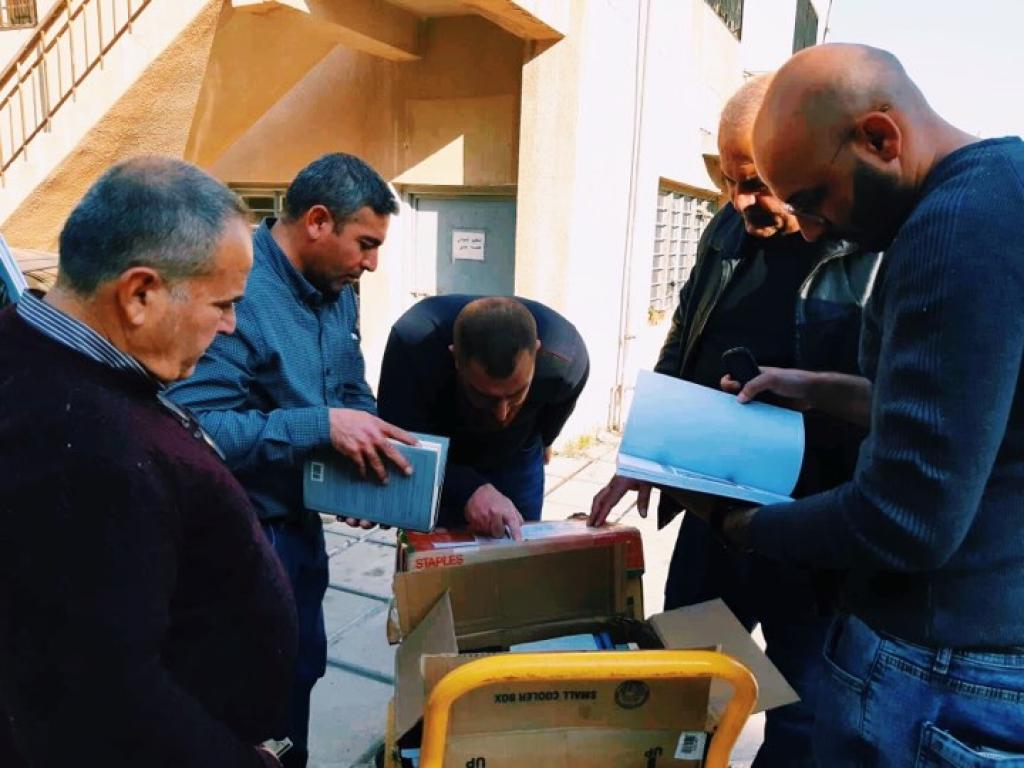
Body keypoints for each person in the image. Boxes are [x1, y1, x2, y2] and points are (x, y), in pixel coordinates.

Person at [709, 43, 1024, 766]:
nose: (812, 228)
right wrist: (817, 387)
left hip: (945, 668)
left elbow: (906, 517)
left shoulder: (952, 228)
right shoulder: (1004, 188)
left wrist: (749, 527)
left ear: (881, 138)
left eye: (814, 201)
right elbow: (972, 413)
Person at [589, 75, 880, 767]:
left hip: (814, 523)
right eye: (727, 180)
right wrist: (645, 450)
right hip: (714, 505)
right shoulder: (727, 228)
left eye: (756, 182)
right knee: (683, 672)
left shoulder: (870, 248)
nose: (740, 201)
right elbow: (685, 334)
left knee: (800, 706)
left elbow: (895, 396)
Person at [0, 157, 297, 767]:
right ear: (140, 294)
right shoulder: (84, 447)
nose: (231, 325)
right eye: (223, 303)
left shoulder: (35, 355)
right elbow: (102, 700)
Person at [168, 153, 414, 767]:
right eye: (365, 244)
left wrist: (363, 462)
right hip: (241, 538)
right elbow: (199, 430)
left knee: (299, 675)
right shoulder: (235, 292)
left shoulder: (338, 291)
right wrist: (324, 426)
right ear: (317, 221)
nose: (372, 263)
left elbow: (348, 386)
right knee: (243, 699)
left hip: (301, 533)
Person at [377, 295, 589, 539]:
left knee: (519, 556)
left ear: (537, 353)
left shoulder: (565, 358)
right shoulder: (414, 344)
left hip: (517, 453)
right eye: (484, 396)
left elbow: (559, 406)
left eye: (517, 393)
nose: (502, 413)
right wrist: (466, 489)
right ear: (455, 358)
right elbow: (404, 443)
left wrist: (546, 439)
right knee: (437, 565)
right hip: (442, 452)